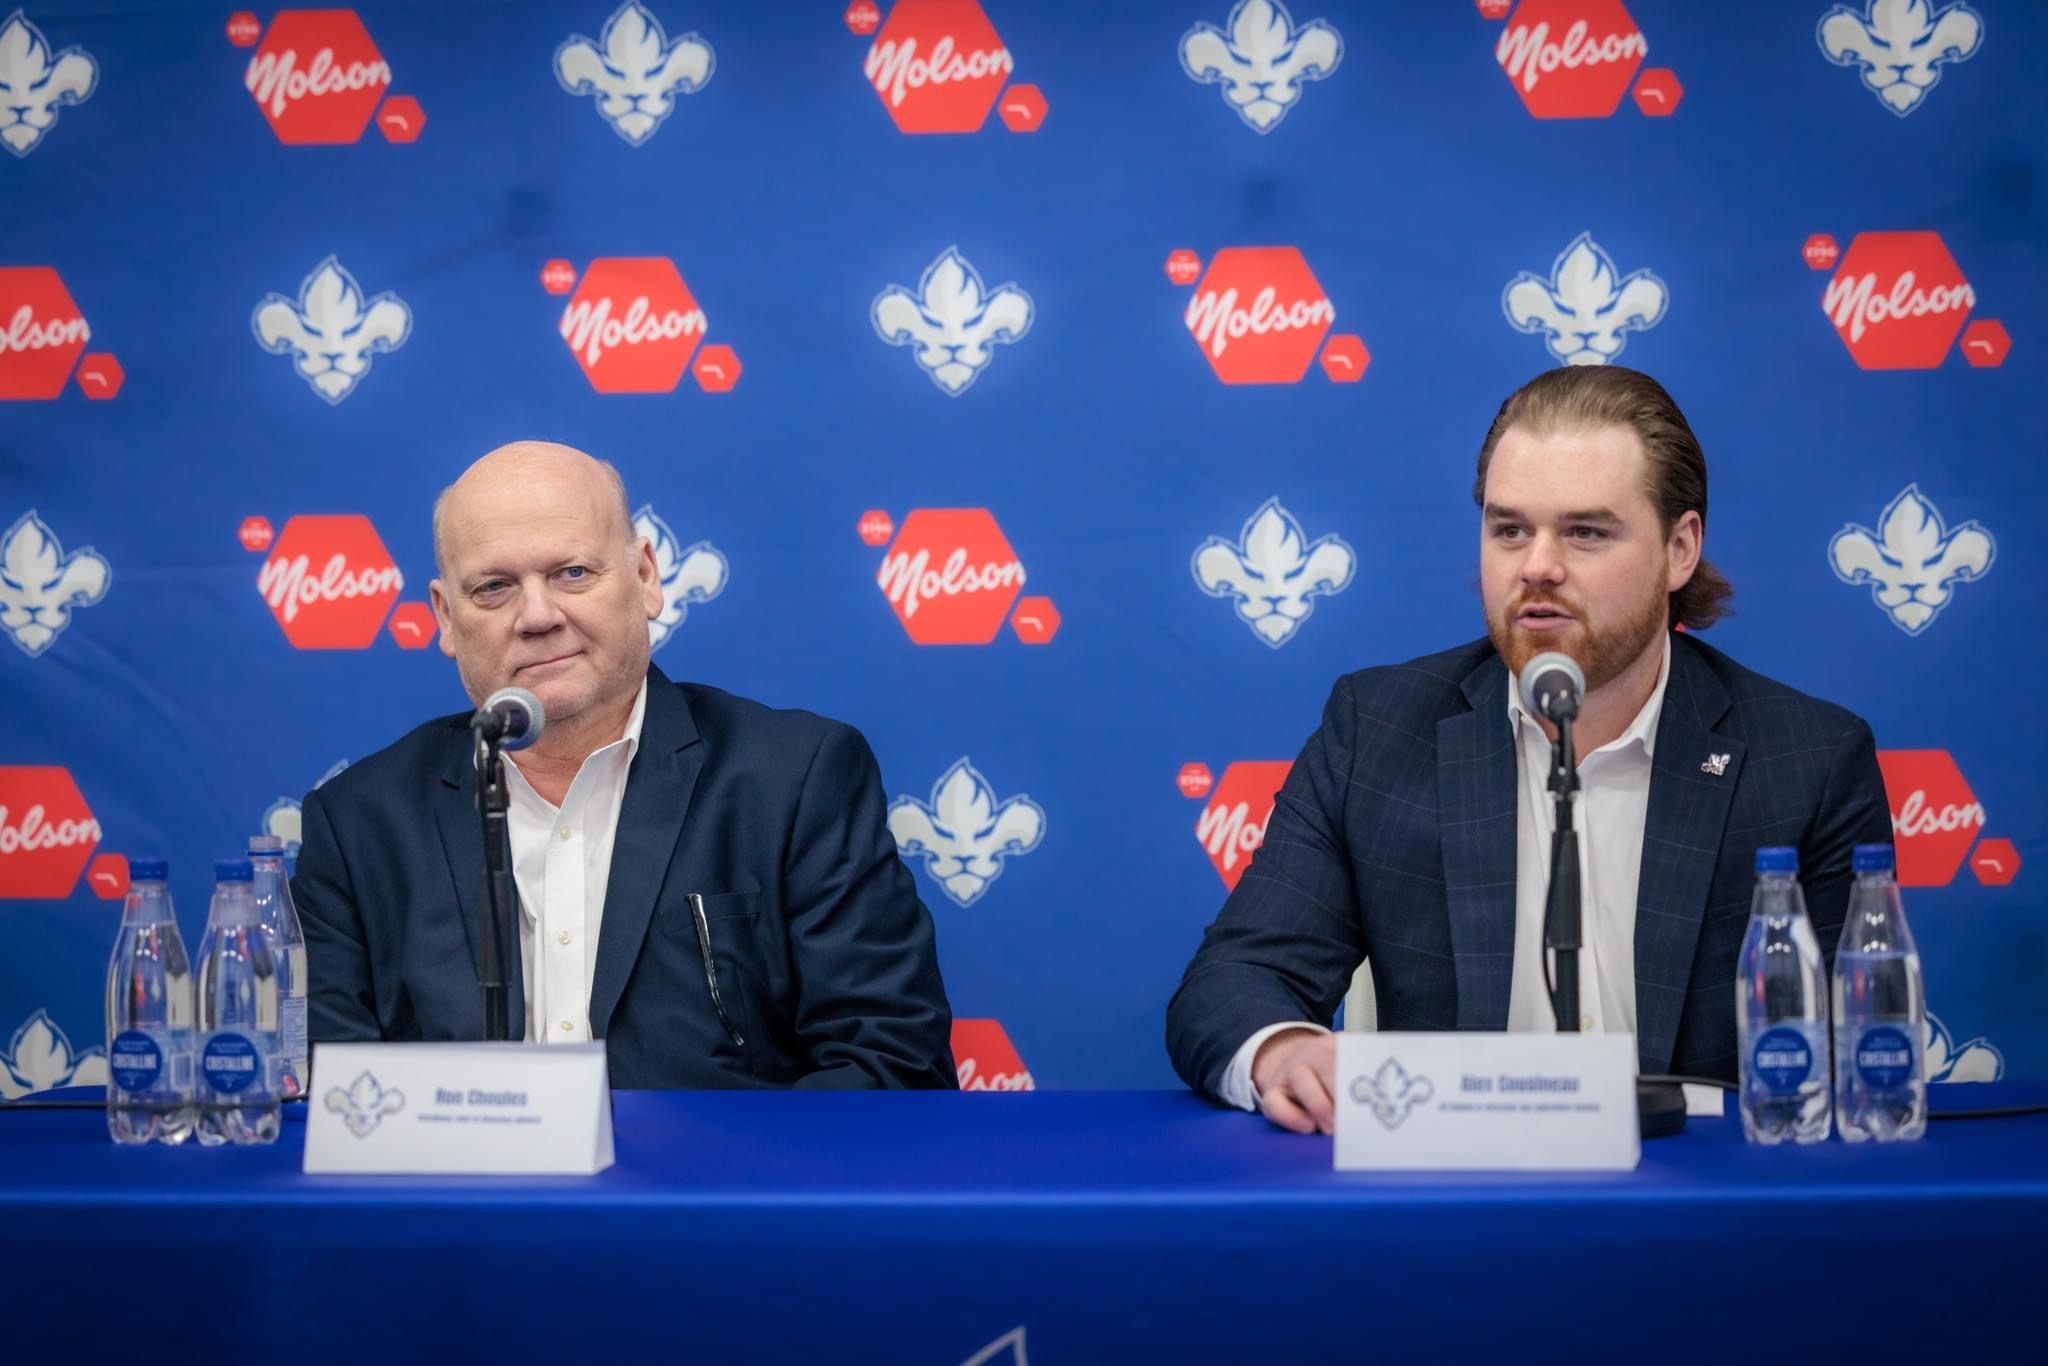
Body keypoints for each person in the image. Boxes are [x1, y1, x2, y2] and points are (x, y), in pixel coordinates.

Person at [1166, 366, 1892, 1133]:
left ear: (1680, 550)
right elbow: (1237, 978)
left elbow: (1852, 1043)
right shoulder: (1379, 730)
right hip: (1459, 1202)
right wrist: (1284, 1051)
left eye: (1585, 531)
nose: (1537, 565)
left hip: (1704, 1207)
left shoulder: (1807, 759)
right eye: (1510, 529)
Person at [295, 441, 954, 1089]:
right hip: (465, 1198)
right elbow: (330, 1103)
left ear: (644, 577)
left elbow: (892, 1065)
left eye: (572, 574)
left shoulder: (793, 781)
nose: (538, 615)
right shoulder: (358, 825)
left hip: (715, 1194)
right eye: (494, 588)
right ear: (444, 616)